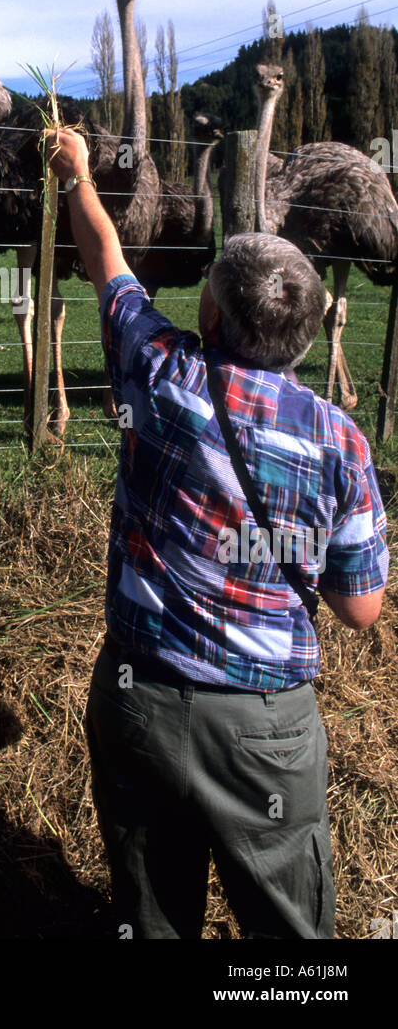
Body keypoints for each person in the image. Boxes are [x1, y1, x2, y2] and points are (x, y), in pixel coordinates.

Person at [47, 126, 388, 940]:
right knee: (288, 937)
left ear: (209, 309)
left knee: (153, 915)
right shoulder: (341, 442)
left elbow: (104, 257)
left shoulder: (159, 372)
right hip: (264, 730)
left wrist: (75, 176)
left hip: (142, 704)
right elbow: (361, 609)